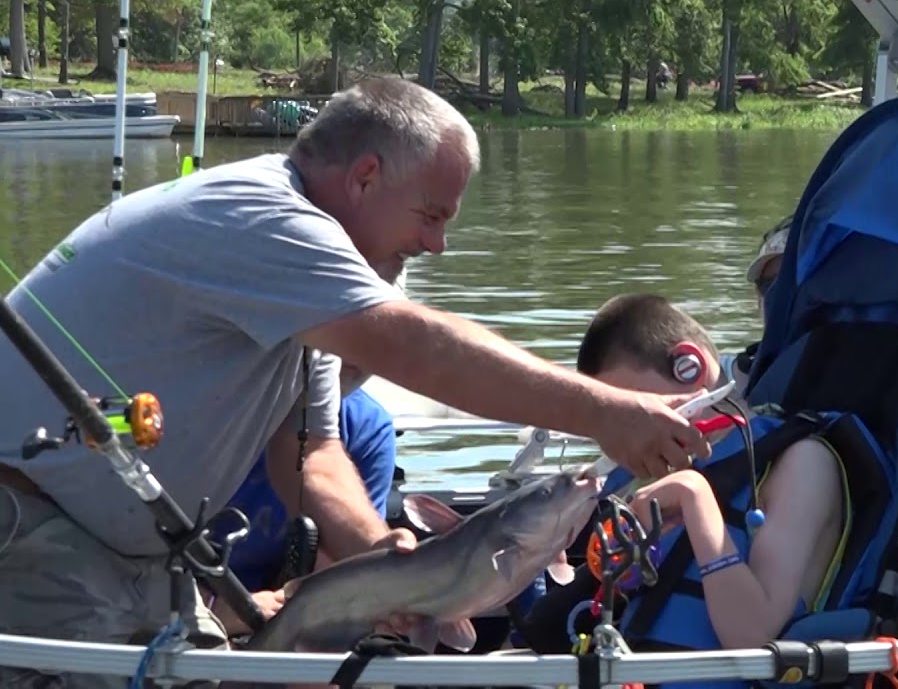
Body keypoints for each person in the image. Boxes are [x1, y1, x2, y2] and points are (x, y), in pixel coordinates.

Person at [0, 77, 709, 686]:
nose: (436, 245)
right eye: (431, 216)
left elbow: (307, 456)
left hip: (131, 557)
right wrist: (609, 412)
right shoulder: (263, 216)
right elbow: (415, 345)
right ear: (365, 177)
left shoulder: (302, 297)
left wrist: (385, 558)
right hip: (34, 530)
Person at [522, 293, 846, 652]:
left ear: (689, 367)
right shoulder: (656, 470)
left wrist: (694, 496)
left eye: (631, 408)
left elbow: (752, 635)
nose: (622, 433)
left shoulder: (802, 464)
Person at [207, 384, 398, 637]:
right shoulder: (201, 411)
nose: (356, 356)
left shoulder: (368, 425)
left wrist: (384, 559)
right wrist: (214, 610)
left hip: (283, 608)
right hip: (177, 601)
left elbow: (330, 574)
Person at [721, 215, 791, 389]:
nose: (777, 294)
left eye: (790, 280)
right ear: (758, 298)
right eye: (769, 284)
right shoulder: (719, 378)